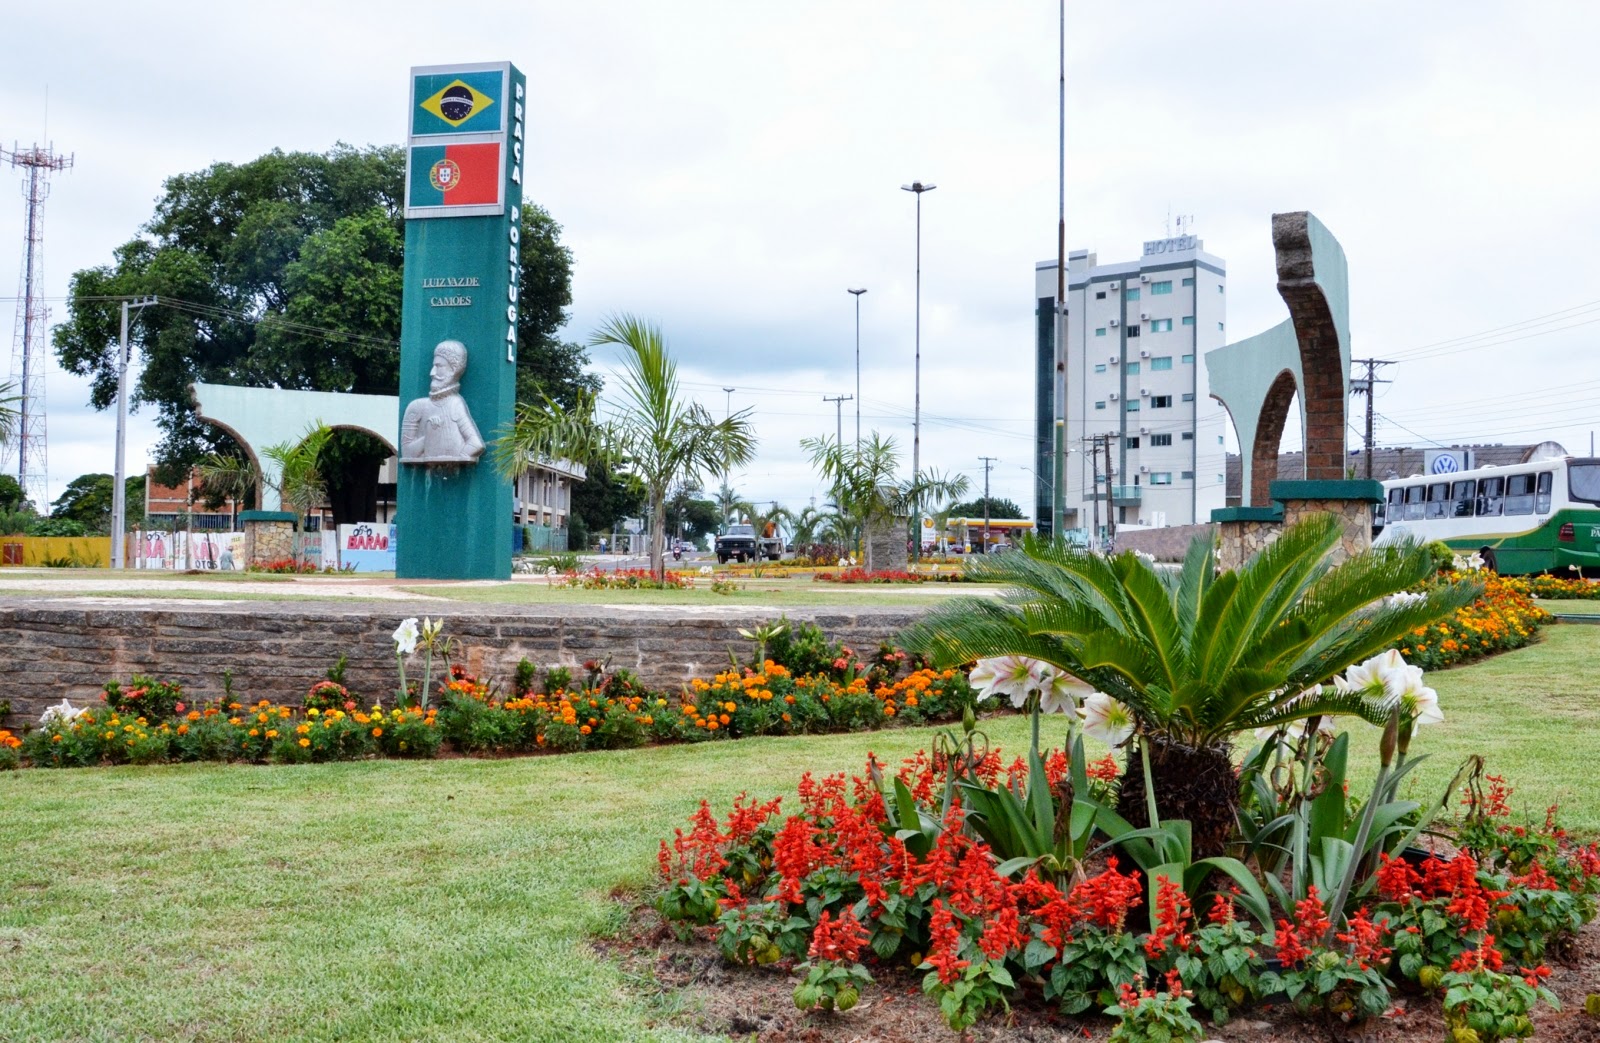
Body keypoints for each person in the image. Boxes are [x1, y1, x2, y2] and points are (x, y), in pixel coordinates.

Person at [401, 340, 485, 465]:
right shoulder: (416, 407)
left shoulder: (455, 403)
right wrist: (430, 434)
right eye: (433, 366)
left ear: (453, 370)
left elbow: (476, 444)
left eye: (439, 366)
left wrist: (459, 457)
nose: (432, 373)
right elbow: (407, 453)